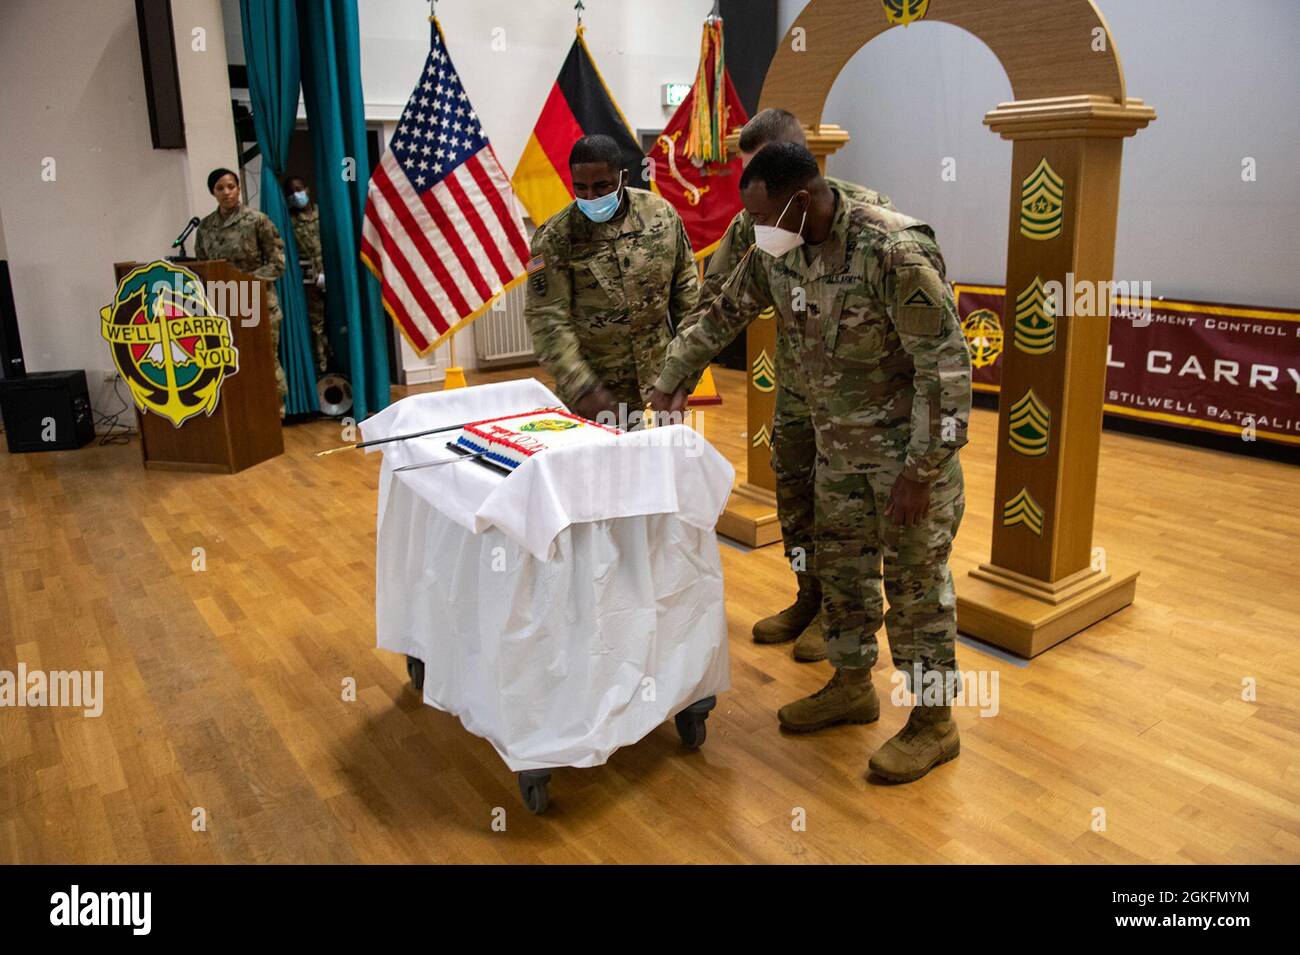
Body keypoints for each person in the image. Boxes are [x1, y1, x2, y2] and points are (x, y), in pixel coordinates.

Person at [650, 143, 972, 784]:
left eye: (763, 216)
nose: (756, 231)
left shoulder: (891, 249)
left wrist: (921, 471)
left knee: (914, 591)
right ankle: (852, 687)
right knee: (844, 577)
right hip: (838, 453)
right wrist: (671, 377)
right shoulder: (780, 246)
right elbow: (722, 310)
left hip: (906, 465)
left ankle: (935, 725)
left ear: (801, 199)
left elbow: (946, 365)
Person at [706, 108, 894, 663]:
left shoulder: (871, 218)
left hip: (858, 405)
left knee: (846, 514)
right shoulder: (758, 217)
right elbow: (717, 299)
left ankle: (843, 613)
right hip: (796, 390)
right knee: (797, 503)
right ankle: (809, 597)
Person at [525, 134, 699, 426]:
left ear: (623, 177)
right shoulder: (554, 238)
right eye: (581, 188)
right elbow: (547, 319)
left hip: (663, 383)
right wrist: (583, 388)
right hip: (595, 392)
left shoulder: (661, 216)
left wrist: (685, 373)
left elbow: (688, 297)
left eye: (601, 186)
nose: (591, 197)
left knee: (664, 466)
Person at [195, 167, 287, 415]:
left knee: (264, 360)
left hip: (258, 303)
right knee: (230, 363)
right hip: (224, 306)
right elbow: (202, 266)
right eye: (220, 188)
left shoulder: (257, 220)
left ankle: (274, 414)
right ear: (213, 193)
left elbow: (277, 263)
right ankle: (241, 419)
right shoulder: (205, 227)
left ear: (239, 188)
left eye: (231, 186)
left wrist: (246, 281)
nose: (227, 192)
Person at [284, 176, 330, 375]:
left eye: (299, 189)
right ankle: (322, 368)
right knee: (316, 327)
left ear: (308, 189)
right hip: (310, 281)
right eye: (291, 192)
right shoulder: (290, 222)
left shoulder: (325, 213)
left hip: (334, 275)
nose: (297, 195)